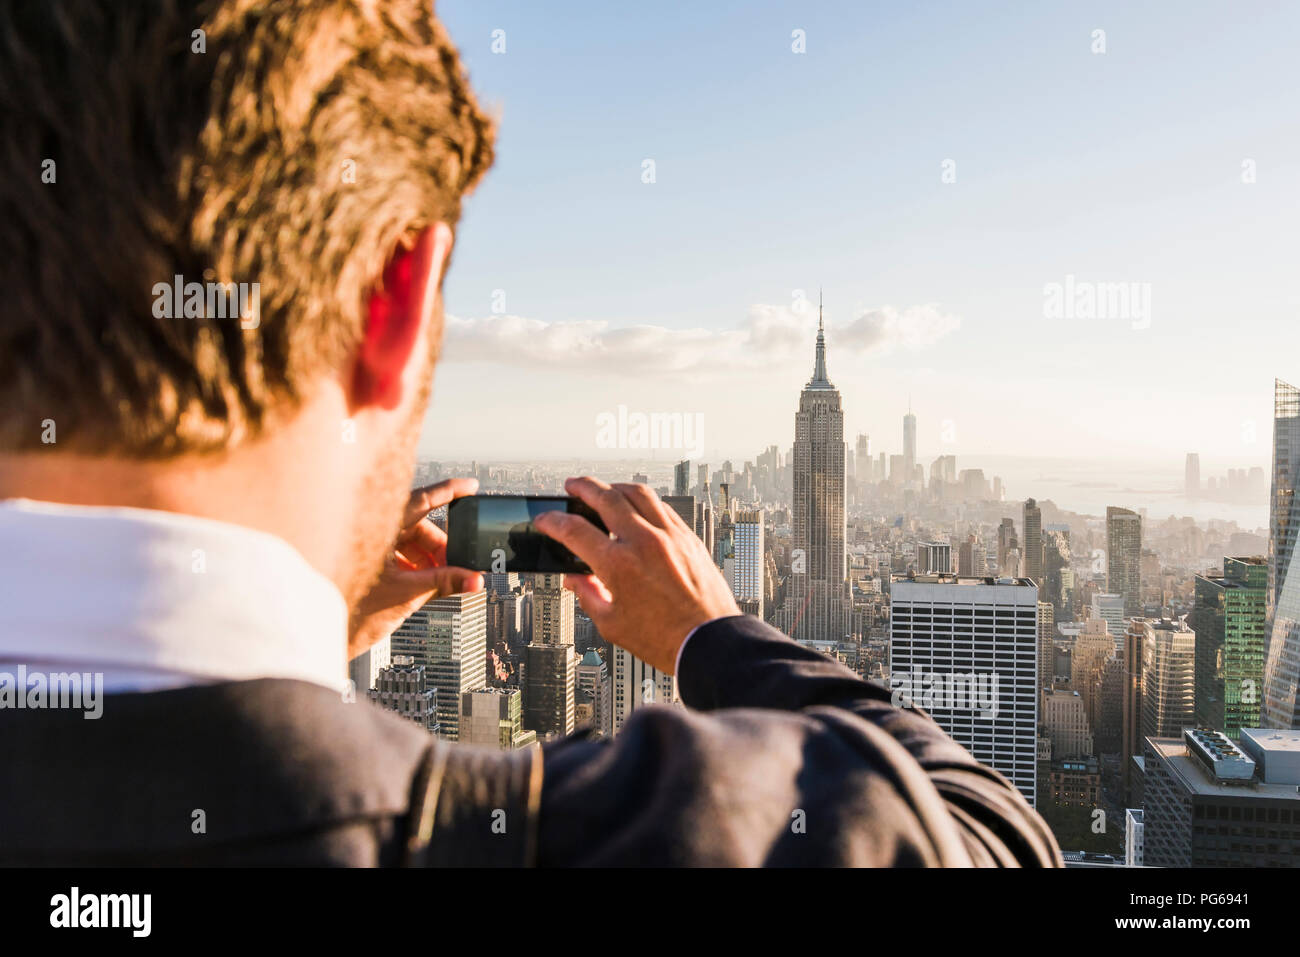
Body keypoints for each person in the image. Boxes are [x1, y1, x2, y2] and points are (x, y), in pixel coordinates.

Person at [0, 0, 1060, 866]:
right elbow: (988, 832)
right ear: (395, 308)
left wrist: (301, 638)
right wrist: (712, 640)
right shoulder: (607, 841)